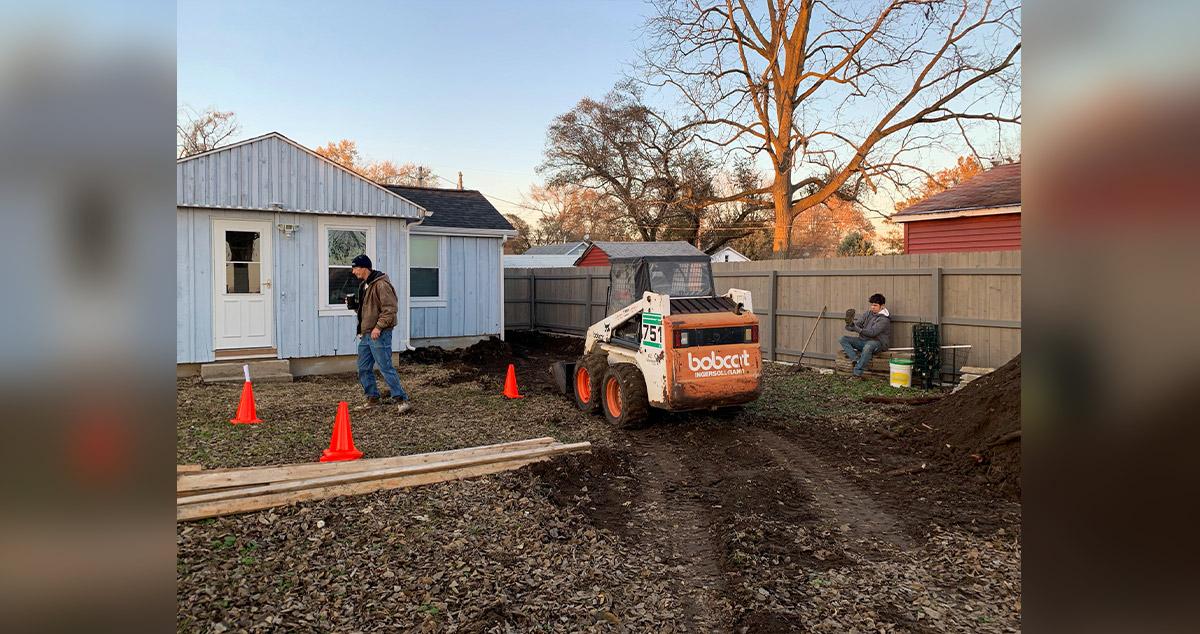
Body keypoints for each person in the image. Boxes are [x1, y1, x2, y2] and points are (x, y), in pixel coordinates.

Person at [346, 254, 412, 413]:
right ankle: (373, 400)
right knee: (363, 368)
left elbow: (390, 309)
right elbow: (367, 310)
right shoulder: (365, 285)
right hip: (365, 334)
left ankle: (401, 400)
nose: (353, 271)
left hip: (379, 334)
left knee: (385, 367)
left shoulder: (381, 285)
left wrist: (378, 327)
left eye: (355, 268)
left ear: (364, 267)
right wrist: (355, 306)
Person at [839, 293, 893, 382]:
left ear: (882, 305)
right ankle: (856, 360)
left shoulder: (884, 320)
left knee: (868, 346)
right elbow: (858, 325)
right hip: (863, 340)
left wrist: (856, 329)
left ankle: (857, 375)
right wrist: (850, 326)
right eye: (871, 305)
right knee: (843, 339)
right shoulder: (867, 314)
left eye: (875, 305)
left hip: (877, 343)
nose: (872, 307)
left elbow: (872, 333)